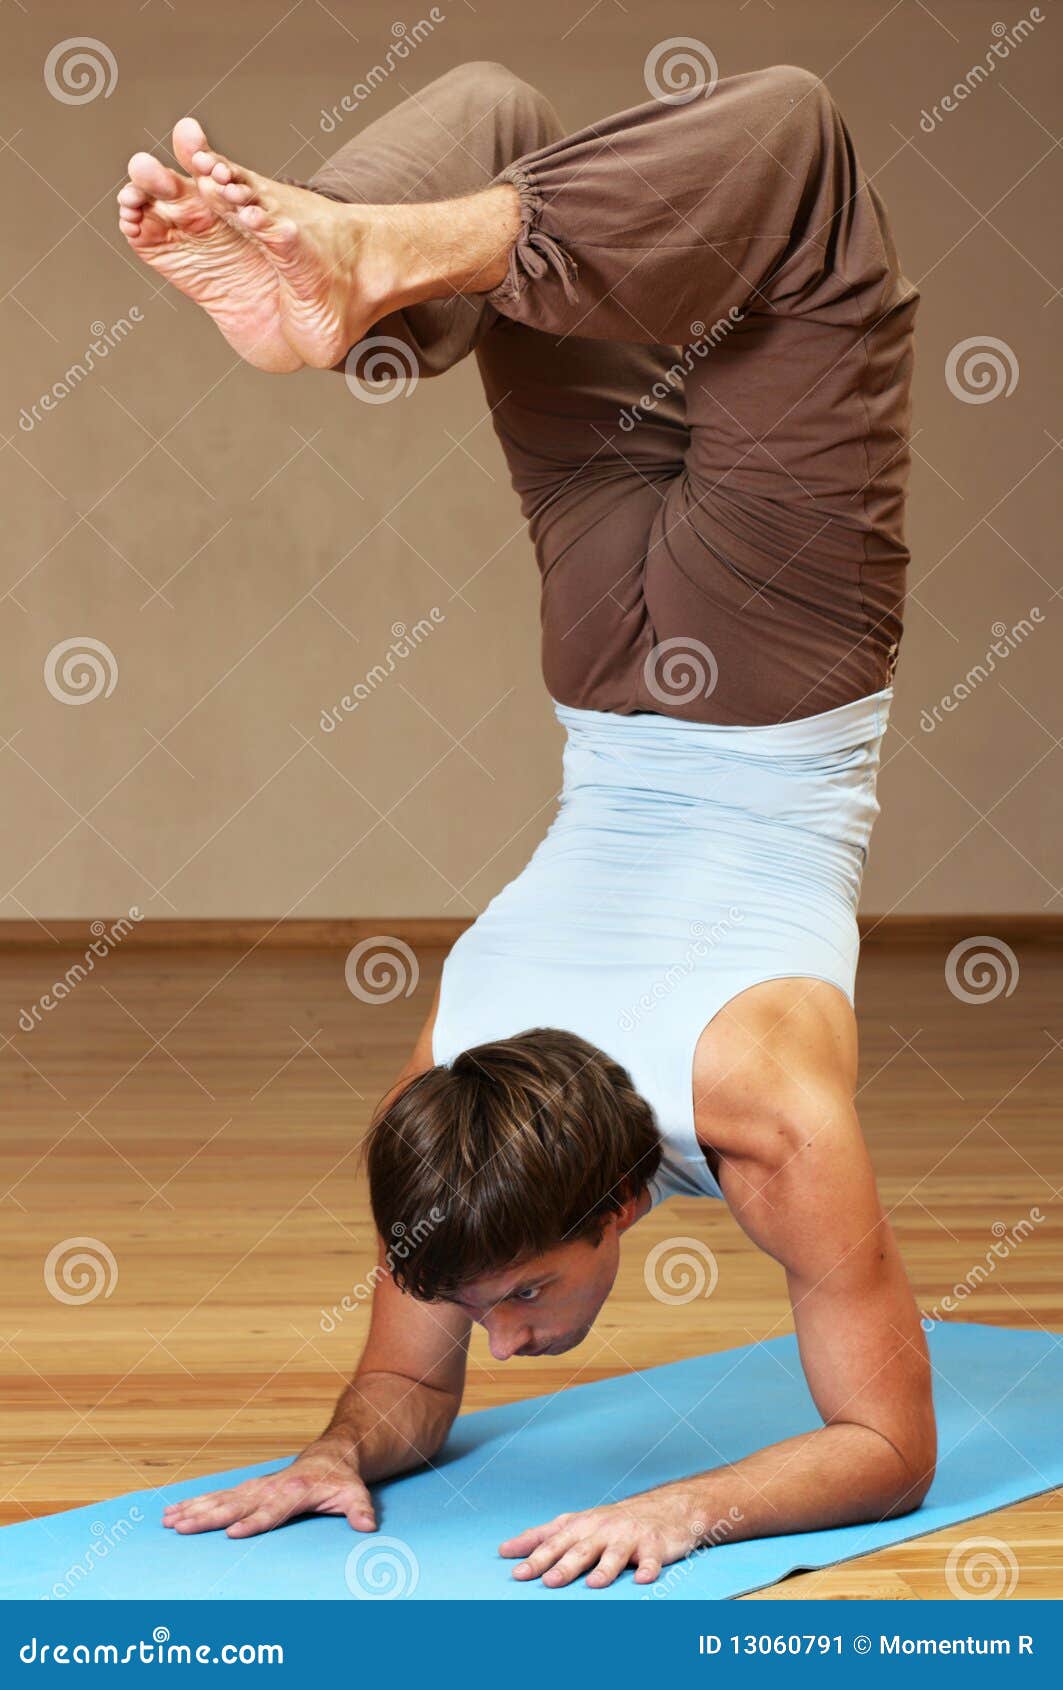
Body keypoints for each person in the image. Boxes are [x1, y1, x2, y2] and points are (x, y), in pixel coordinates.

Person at [120, 59, 935, 1591]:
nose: (493, 1336)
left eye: (505, 1302)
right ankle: (366, 277)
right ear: (617, 1200)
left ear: (622, 1199)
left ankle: (360, 278)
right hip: (649, 651)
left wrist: (687, 1507)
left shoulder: (755, 1118)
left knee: (802, 162)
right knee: (500, 119)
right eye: (498, 1306)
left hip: (768, 653)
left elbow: (891, 1447)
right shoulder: (459, 1107)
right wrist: (337, 1449)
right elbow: (408, 1389)